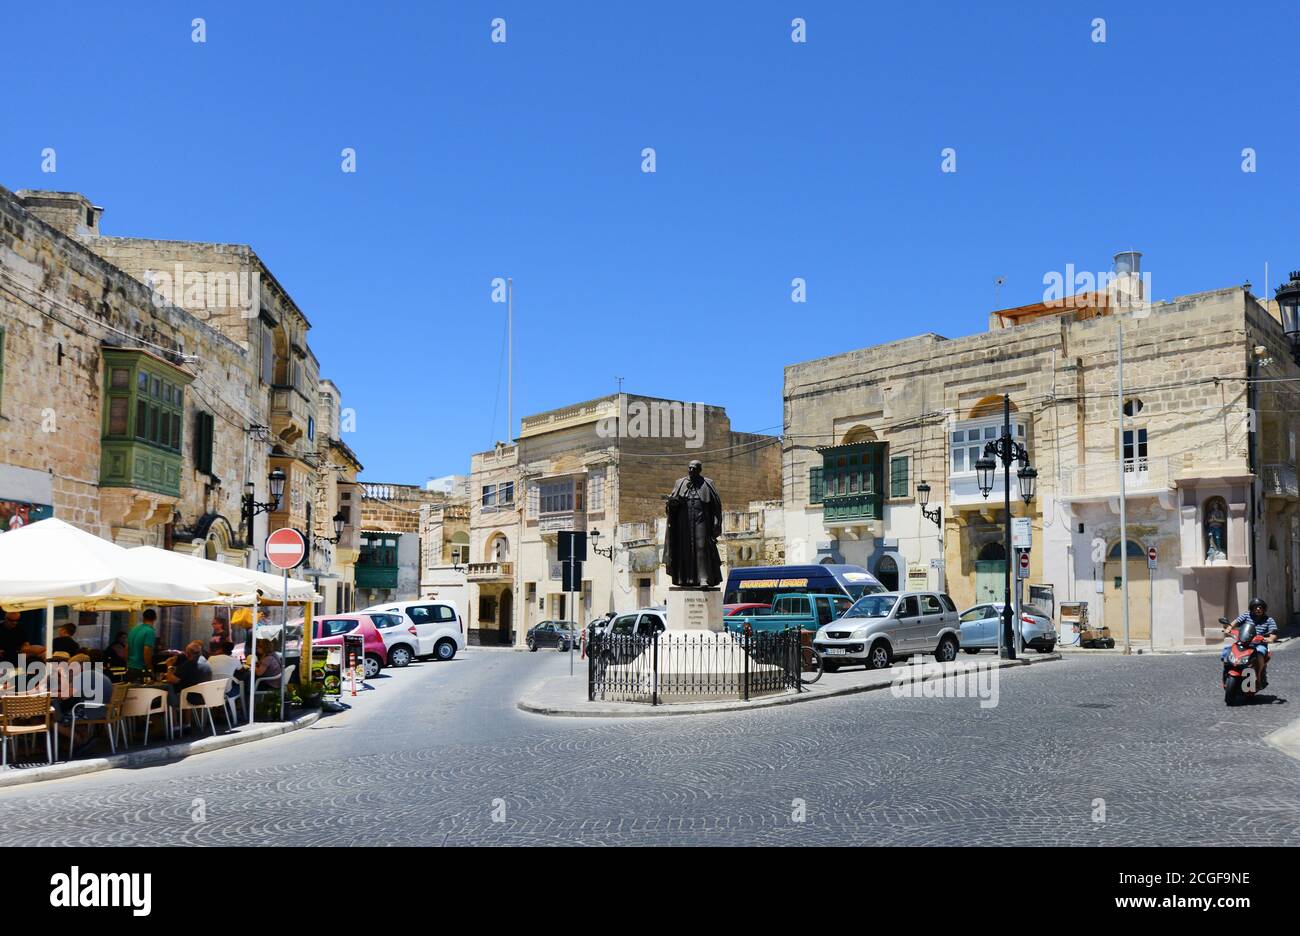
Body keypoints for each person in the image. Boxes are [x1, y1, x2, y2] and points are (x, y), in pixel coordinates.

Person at [1222, 597, 1278, 689]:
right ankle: (1226, 674)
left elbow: (1273, 635)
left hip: (1259, 644)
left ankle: (1258, 678)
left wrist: (1269, 639)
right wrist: (1229, 628)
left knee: (1259, 653)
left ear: (1264, 609)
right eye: (1256, 607)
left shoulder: (1269, 620)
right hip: (1243, 642)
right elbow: (1236, 621)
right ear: (1252, 608)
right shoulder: (1247, 615)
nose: (1258, 609)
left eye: (1260, 607)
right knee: (1227, 649)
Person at [162, 640, 213, 713]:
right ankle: (186, 720)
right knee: (184, 687)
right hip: (205, 696)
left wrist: (169, 665)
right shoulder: (206, 662)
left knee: (169, 688)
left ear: (187, 654)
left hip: (191, 698)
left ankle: (173, 719)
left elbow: (171, 679)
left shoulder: (189, 664)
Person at [125, 609, 159, 683]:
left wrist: (128, 662)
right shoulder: (150, 631)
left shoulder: (133, 630)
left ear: (143, 617)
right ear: (155, 618)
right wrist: (150, 668)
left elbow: (126, 648)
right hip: (141, 670)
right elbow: (146, 651)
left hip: (130, 668)